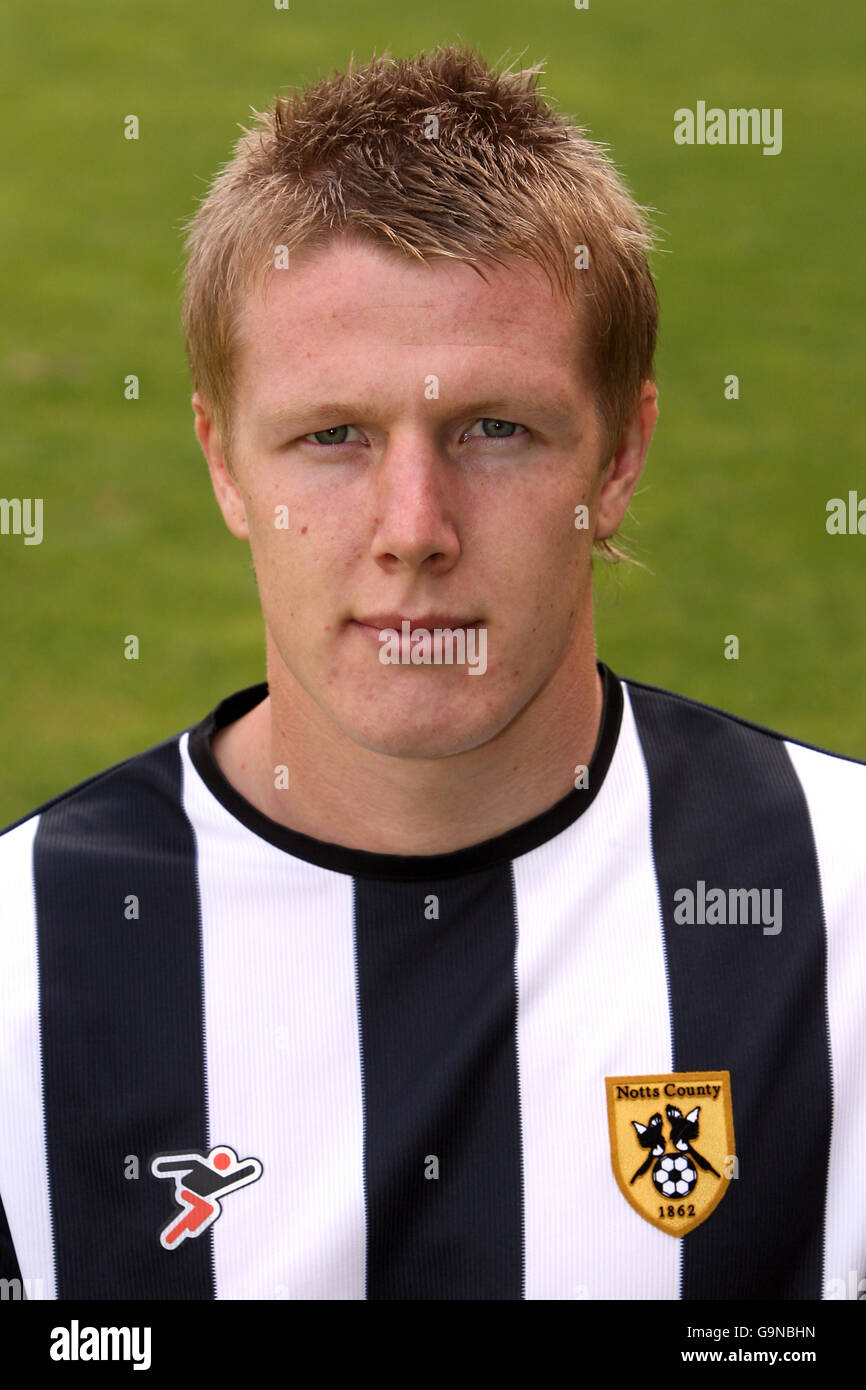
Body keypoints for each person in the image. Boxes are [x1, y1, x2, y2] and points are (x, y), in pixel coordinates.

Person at [0, 44, 863, 1303]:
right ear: (224, 463)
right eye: (332, 436)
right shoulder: (20, 971)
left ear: (618, 454)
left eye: (494, 430)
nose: (415, 525)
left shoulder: (844, 918)